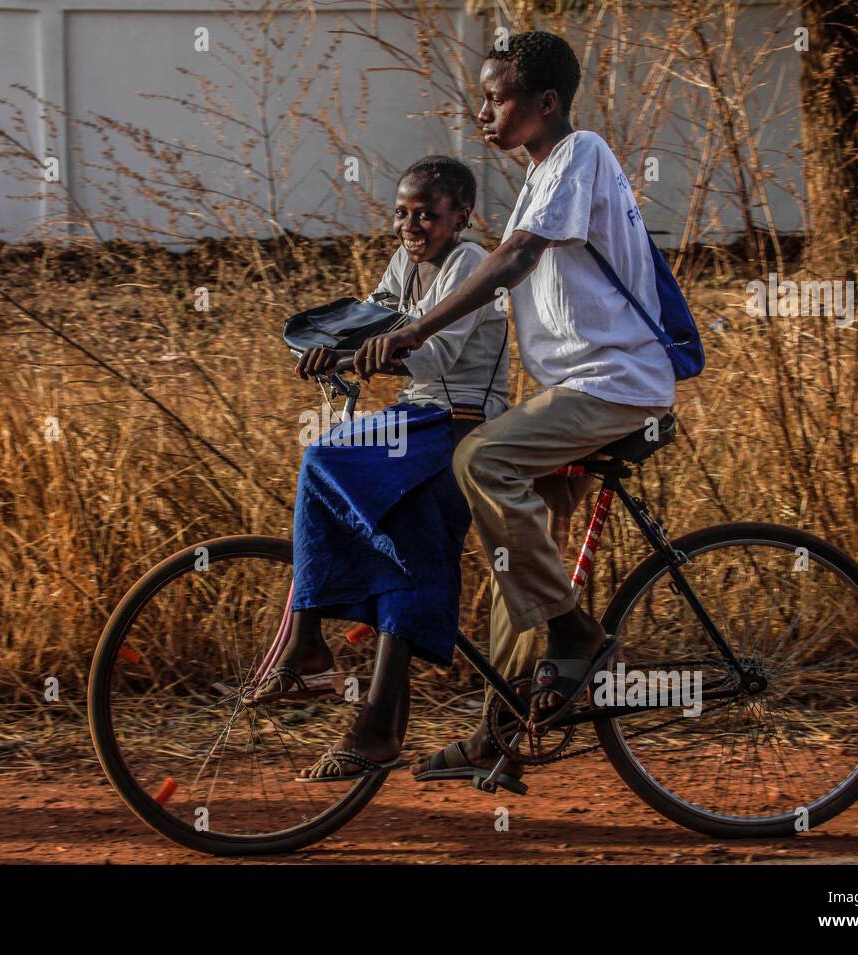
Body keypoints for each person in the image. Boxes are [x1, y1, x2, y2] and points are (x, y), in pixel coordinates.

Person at [354, 31, 675, 791]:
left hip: (615, 385)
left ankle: (580, 634)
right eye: (484, 97)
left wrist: (415, 331)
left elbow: (514, 260)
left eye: (498, 98)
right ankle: (504, 731)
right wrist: (352, 341)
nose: (483, 113)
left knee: (481, 459)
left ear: (546, 103)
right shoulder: (540, 177)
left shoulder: (579, 154)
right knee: (513, 564)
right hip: (574, 392)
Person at [248, 156, 511, 783]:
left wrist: (380, 353)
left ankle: (308, 645)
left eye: (427, 214)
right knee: (407, 555)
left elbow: (434, 355)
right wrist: (330, 349)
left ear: (460, 217)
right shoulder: (406, 263)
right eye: (402, 213)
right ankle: (377, 730)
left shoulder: (469, 265)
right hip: (421, 421)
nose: (411, 225)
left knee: (322, 458)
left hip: (458, 421)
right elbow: (371, 316)